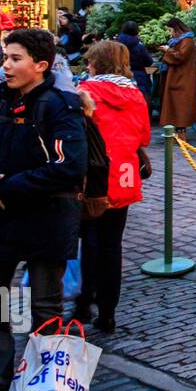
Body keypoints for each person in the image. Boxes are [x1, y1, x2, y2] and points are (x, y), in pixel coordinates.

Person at [0, 28, 88, 332]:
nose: (5, 66)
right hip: (3, 216)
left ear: (41, 66)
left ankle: (44, 375)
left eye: (15, 59)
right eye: (5, 57)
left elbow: (68, 166)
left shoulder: (60, 106)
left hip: (48, 216)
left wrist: (10, 189)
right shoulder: (3, 101)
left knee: (45, 308)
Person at [73, 41, 151, 333]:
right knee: (111, 245)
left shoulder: (86, 92)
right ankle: (108, 311)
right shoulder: (135, 94)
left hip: (93, 176)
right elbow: (143, 136)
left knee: (88, 241)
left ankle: (84, 302)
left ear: (97, 63)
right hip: (125, 173)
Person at [157, 17, 196, 136]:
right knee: (175, 106)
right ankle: (177, 135)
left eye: (170, 30)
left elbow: (181, 56)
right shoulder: (180, 40)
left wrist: (168, 50)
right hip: (176, 77)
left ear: (176, 29)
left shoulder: (187, 40)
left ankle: (181, 136)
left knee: (180, 106)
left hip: (181, 77)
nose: (170, 33)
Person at [116, 20, 155, 101]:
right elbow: (149, 62)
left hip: (119, 75)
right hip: (139, 76)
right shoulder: (139, 46)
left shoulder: (115, 45)